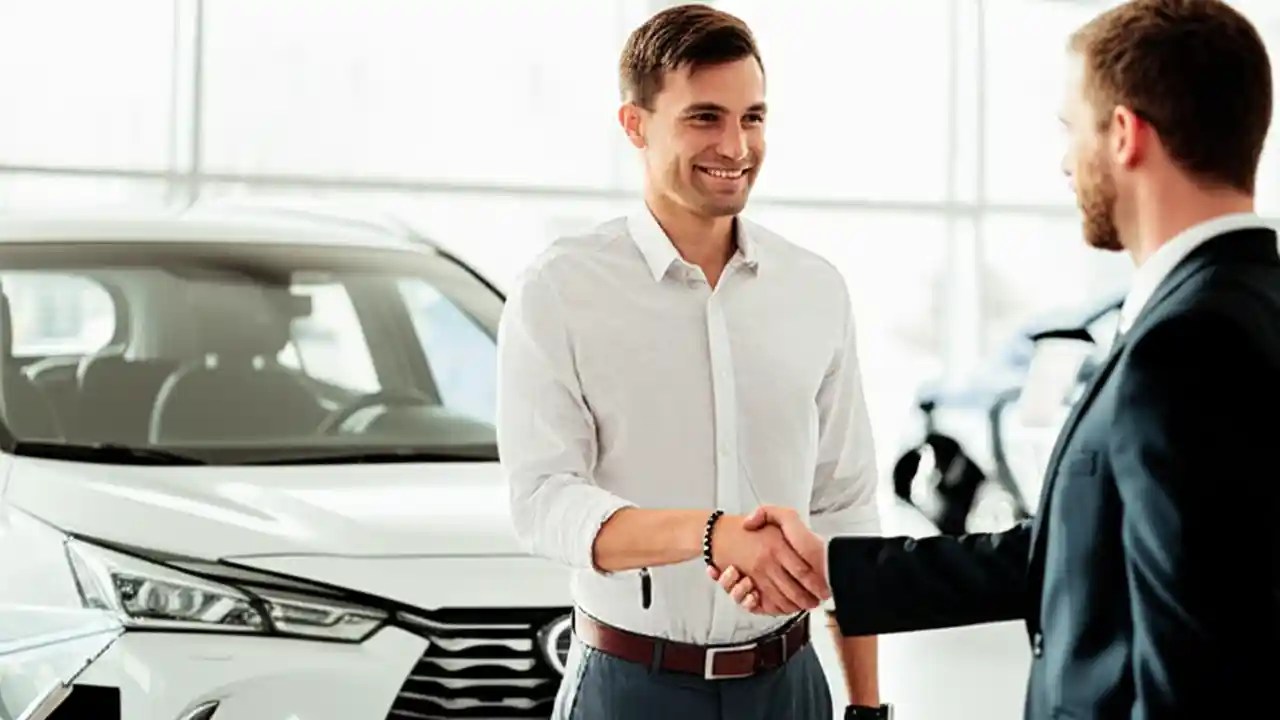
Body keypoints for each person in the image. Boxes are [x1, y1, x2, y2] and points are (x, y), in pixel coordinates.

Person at [714, 1, 1279, 718]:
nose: (1064, 162)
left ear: (1125, 135)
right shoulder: (1241, 305)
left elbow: (1202, 676)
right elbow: (1077, 545)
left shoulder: (1188, 347)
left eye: (1071, 130)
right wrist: (834, 568)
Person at [496, 4, 883, 718]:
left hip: (792, 686)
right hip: (628, 686)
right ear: (635, 125)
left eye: (754, 117)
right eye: (705, 117)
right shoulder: (560, 290)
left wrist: (866, 703)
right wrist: (712, 535)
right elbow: (544, 501)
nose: (736, 145)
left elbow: (846, 502)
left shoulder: (815, 289)